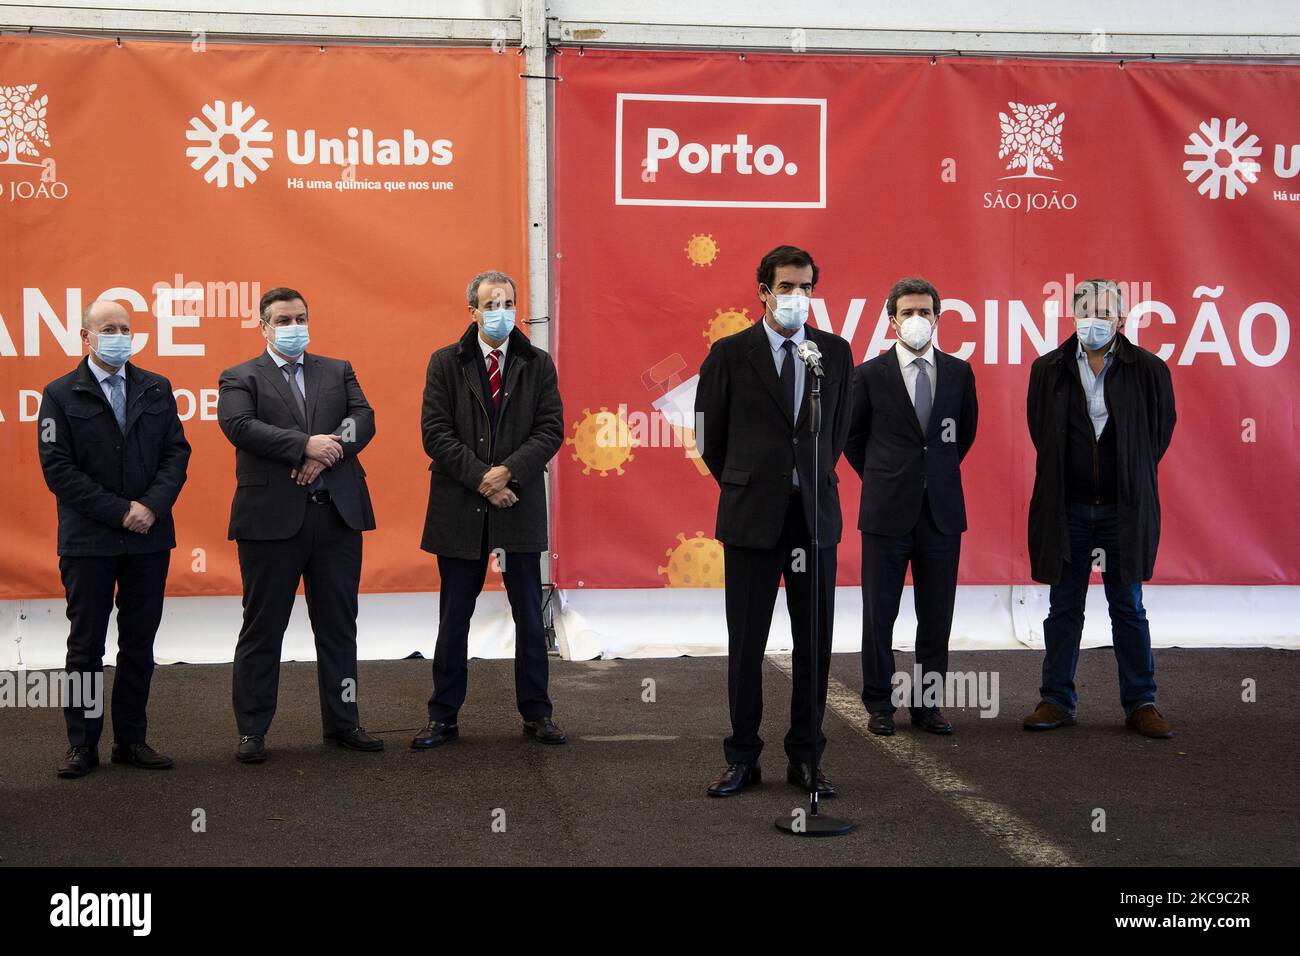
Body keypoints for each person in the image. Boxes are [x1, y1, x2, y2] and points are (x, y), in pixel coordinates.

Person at [696, 244, 853, 798]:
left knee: (814, 642)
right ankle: (742, 756)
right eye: (786, 287)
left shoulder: (833, 352)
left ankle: (807, 756)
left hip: (812, 518)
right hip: (750, 519)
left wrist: (808, 478)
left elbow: (838, 428)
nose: (797, 297)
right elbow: (705, 435)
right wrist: (745, 481)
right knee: (748, 642)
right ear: (763, 291)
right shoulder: (729, 353)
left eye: (806, 286)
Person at [217, 287, 381, 763]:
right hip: (271, 523)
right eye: (284, 320)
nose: (295, 326)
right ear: (263, 326)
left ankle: (344, 721)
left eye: (301, 317)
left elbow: (362, 418)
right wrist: (304, 445)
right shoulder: (240, 376)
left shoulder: (337, 369)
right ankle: (252, 731)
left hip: (336, 516)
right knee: (263, 627)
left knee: (338, 626)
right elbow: (239, 426)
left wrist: (329, 452)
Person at [37, 299, 191, 778]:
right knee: (85, 646)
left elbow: (176, 454)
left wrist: (151, 508)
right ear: (86, 337)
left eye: (126, 328)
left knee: (140, 644)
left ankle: (132, 739)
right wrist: (122, 512)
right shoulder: (60, 394)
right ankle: (82, 745)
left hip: (149, 538)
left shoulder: (156, 388)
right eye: (108, 328)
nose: (119, 335)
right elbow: (57, 468)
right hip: (89, 542)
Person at [413, 270, 566, 749]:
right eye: (491, 304)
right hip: (461, 505)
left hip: (517, 502)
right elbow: (435, 434)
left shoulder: (537, 363)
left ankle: (537, 713)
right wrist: (484, 478)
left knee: (527, 613)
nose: (501, 312)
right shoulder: (445, 363)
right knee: (454, 615)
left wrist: (508, 473)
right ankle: (443, 717)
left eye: (508, 302)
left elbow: (550, 430)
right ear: (473, 312)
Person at [1023, 279, 1177, 738]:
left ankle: (1141, 702)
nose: (1095, 320)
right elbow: (1041, 434)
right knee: (1062, 606)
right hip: (1065, 508)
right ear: (1073, 316)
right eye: (1086, 310)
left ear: (1122, 319)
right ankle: (1056, 700)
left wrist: (1127, 475)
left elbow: (1158, 435)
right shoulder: (1046, 369)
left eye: (1105, 312)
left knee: (1127, 607)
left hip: (1122, 509)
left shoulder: (1149, 370)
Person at [846, 277, 978, 736]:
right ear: (891, 321)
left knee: (936, 612)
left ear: (938, 320)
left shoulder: (960, 373)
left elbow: (962, 436)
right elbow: (853, 439)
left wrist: (930, 477)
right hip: (885, 512)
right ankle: (880, 703)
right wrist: (887, 477)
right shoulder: (867, 374)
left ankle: (927, 704)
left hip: (941, 514)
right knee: (879, 611)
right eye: (908, 313)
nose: (917, 320)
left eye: (925, 312)